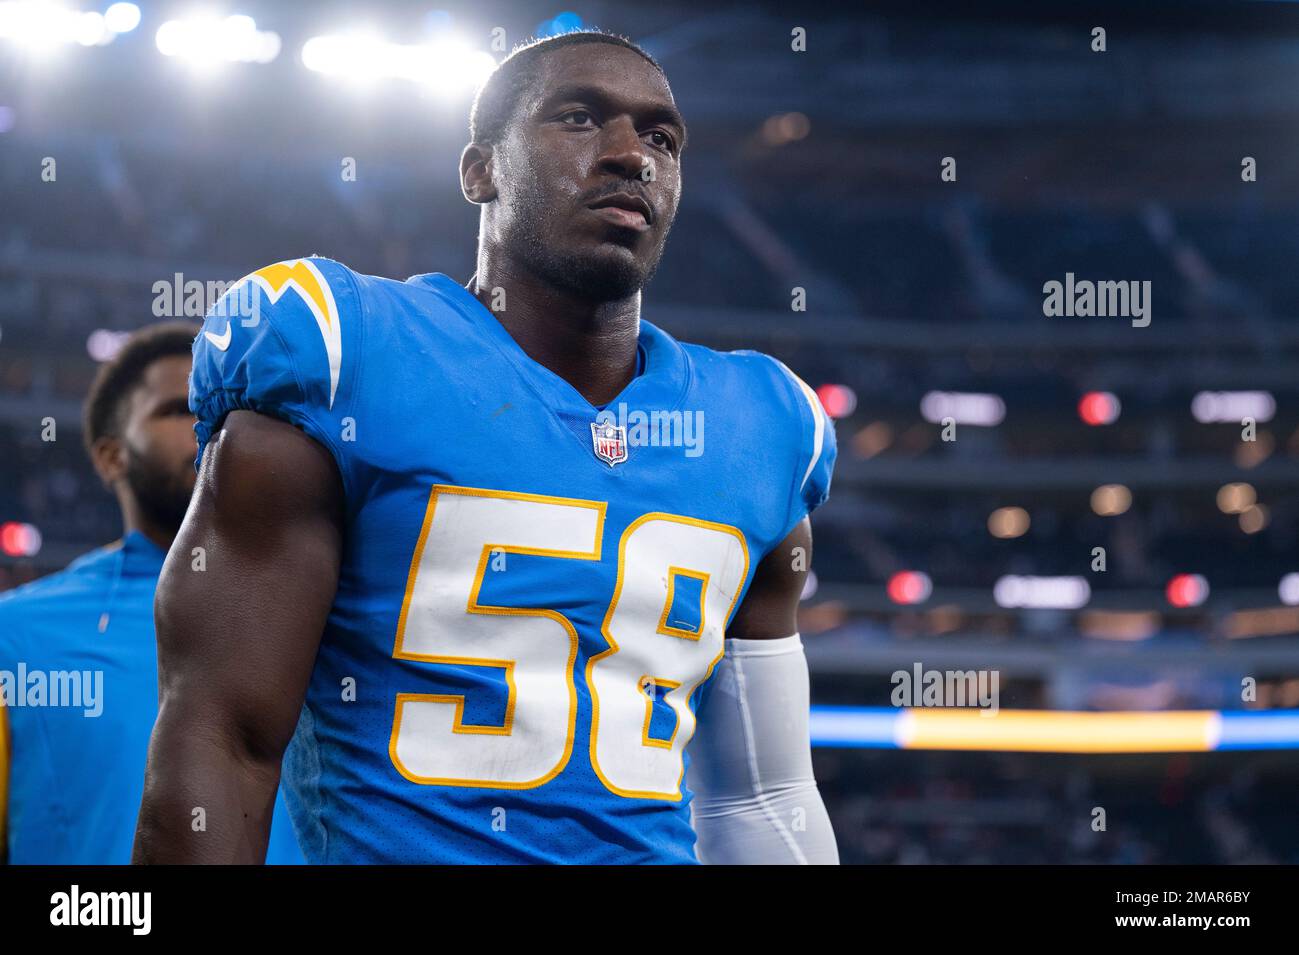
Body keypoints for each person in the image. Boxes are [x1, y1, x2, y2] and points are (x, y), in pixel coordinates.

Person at [134, 30, 838, 864]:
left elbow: (761, 794)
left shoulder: (764, 424)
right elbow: (224, 743)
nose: (630, 157)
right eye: (580, 119)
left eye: (661, 139)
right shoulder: (346, 352)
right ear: (481, 170)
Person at [0, 321, 302, 864]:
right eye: (179, 409)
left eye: (235, 408)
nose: (212, 423)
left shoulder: (335, 619)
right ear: (110, 457)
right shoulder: (13, 635)